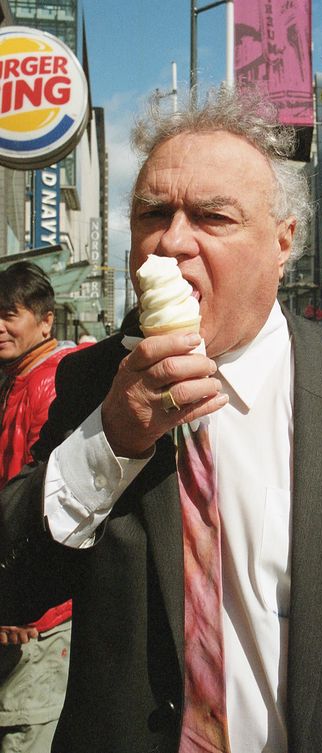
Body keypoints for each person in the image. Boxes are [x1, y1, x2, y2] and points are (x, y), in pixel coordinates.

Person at [0, 88, 322, 753]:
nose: (172, 241)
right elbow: (13, 588)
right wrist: (109, 440)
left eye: (213, 217)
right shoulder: (87, 384)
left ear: (284, 243)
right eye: (153, 213)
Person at [0, 262, 86, 753]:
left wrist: (21, 596)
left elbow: (57, 509)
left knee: (24, 734)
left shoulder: (52, 385)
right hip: (23, 609)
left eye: (10, 314)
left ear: (46, 321)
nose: (0, 326)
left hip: (37, 620)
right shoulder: (16, 378)